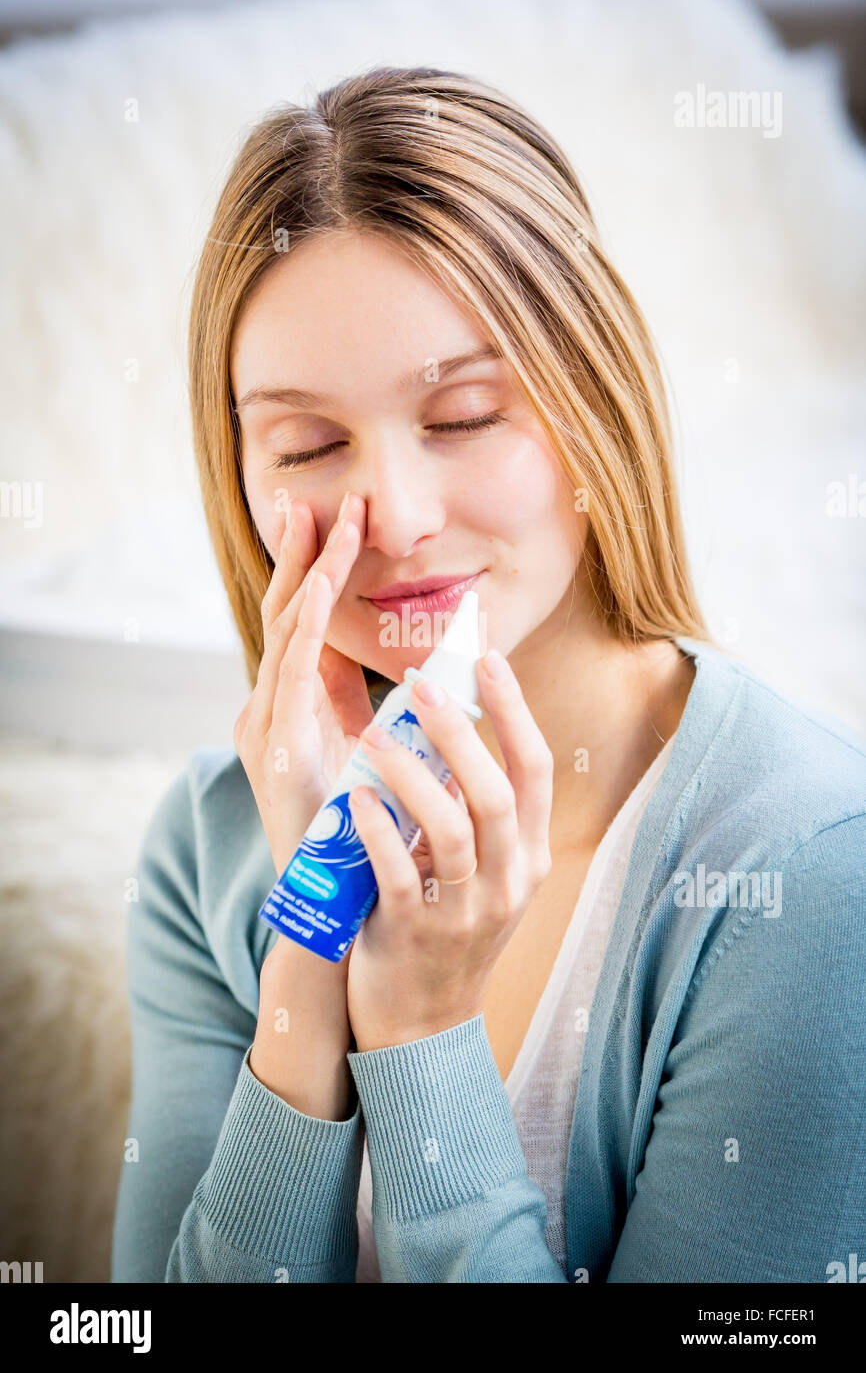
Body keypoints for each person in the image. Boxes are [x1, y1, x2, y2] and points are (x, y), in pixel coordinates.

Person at [111, 65, 866, 1283]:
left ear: (591, 401)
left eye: (462, 415)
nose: (399, 517)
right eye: (307, 445)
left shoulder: (813, 872)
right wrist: (315, 936)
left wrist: (418, 1028)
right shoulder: (206, 845)